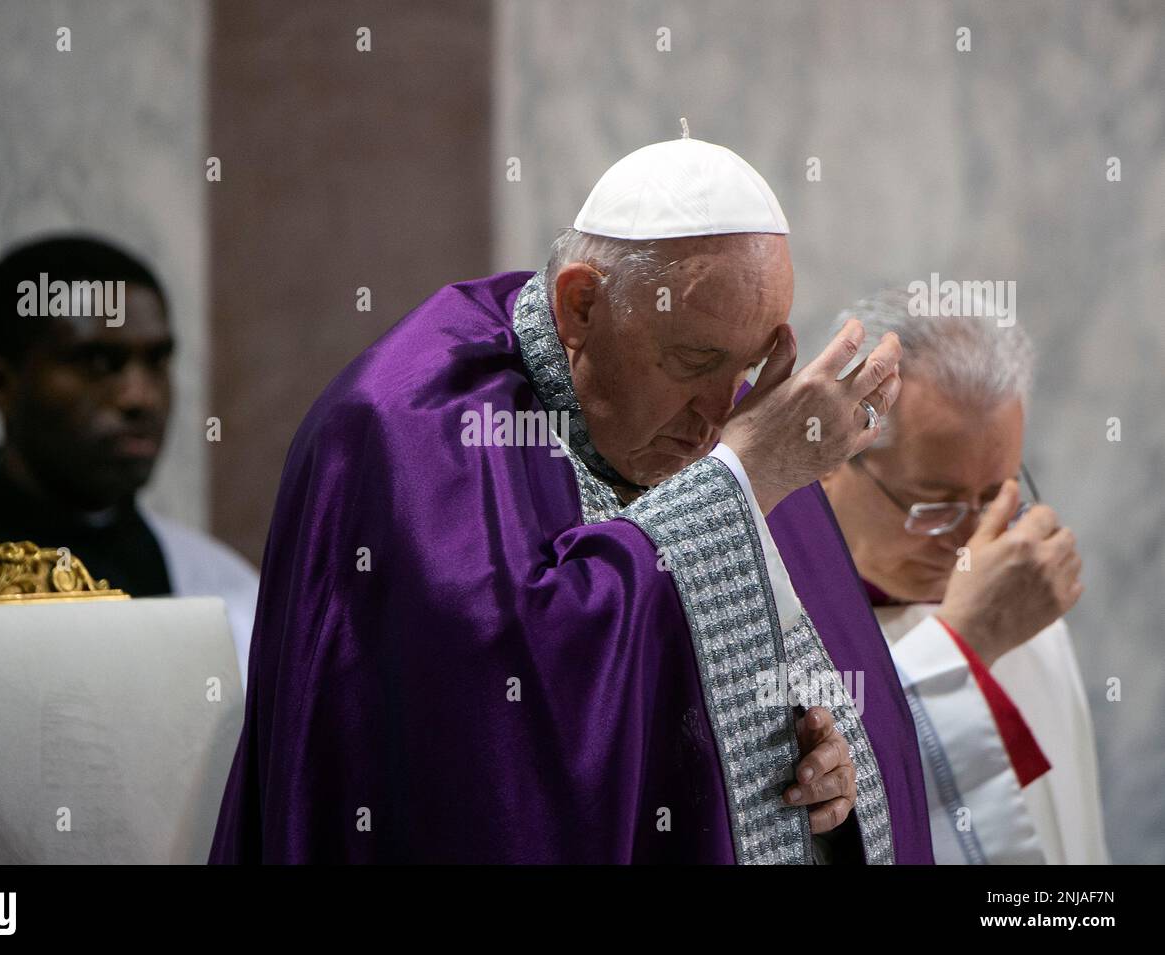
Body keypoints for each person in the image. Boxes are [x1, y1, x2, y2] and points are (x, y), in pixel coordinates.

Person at [211, 130, 934, 863]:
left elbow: (752, 705)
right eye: (694, 361)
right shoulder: (406, 426)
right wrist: (744, 480)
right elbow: (504, 737)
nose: (721, 417)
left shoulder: (737, 439)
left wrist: (823, 779)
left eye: (746, 368)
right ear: (581, 305)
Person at [820, 289, 1109, 863]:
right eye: (935, 506)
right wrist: (962, 645)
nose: (974, 544)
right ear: (831, 460)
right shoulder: (775, 614)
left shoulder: (1019, 591)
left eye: (994, 498)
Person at [0, 234, 258, 685]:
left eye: (157, 362)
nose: (139, 397)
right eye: (100, 363)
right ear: (0, 383)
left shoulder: (227, 593)